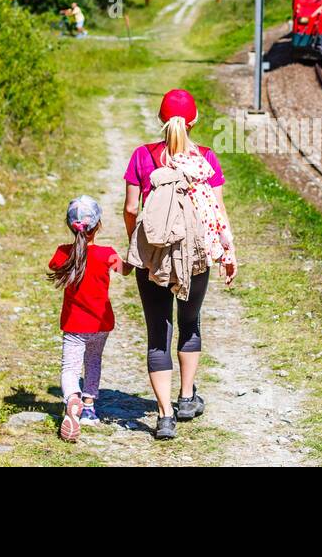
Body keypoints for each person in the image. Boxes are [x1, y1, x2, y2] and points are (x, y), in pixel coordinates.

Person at [124, 89, 237, 441]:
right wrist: (228, 250)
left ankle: (164, 416)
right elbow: (217, 212)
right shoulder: (205, 158)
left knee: (158, 333)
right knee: (190, 323)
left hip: (153, 255)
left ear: (161, 120)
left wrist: (135, 245)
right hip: (195, 257)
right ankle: (187, 398)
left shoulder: (143, 156)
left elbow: (130, 209)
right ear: (194, 120)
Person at [48, 195, 129, 442]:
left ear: (70, 225)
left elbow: (52, 266)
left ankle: (72, 398)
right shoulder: (106, 254)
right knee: (93, 362)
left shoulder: (63, 254)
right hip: (100, 324)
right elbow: (125, 269)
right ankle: (89, 407)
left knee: (70, 367)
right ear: (99, 225)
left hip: (74, 325)